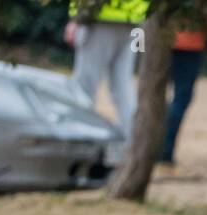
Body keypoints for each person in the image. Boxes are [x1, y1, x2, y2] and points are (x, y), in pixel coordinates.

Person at [64, 0, 150, 143]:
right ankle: (135, 143)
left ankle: (79, 141)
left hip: (99, 17)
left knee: (84, 86)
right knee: (123, 85)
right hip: (134, 19)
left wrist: (78, 18)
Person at [159, 27, 207, 166]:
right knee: (181, 98)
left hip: (162, 39)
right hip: (189, 42)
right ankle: (164, 152)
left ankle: (157, 149)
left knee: (158, 98)